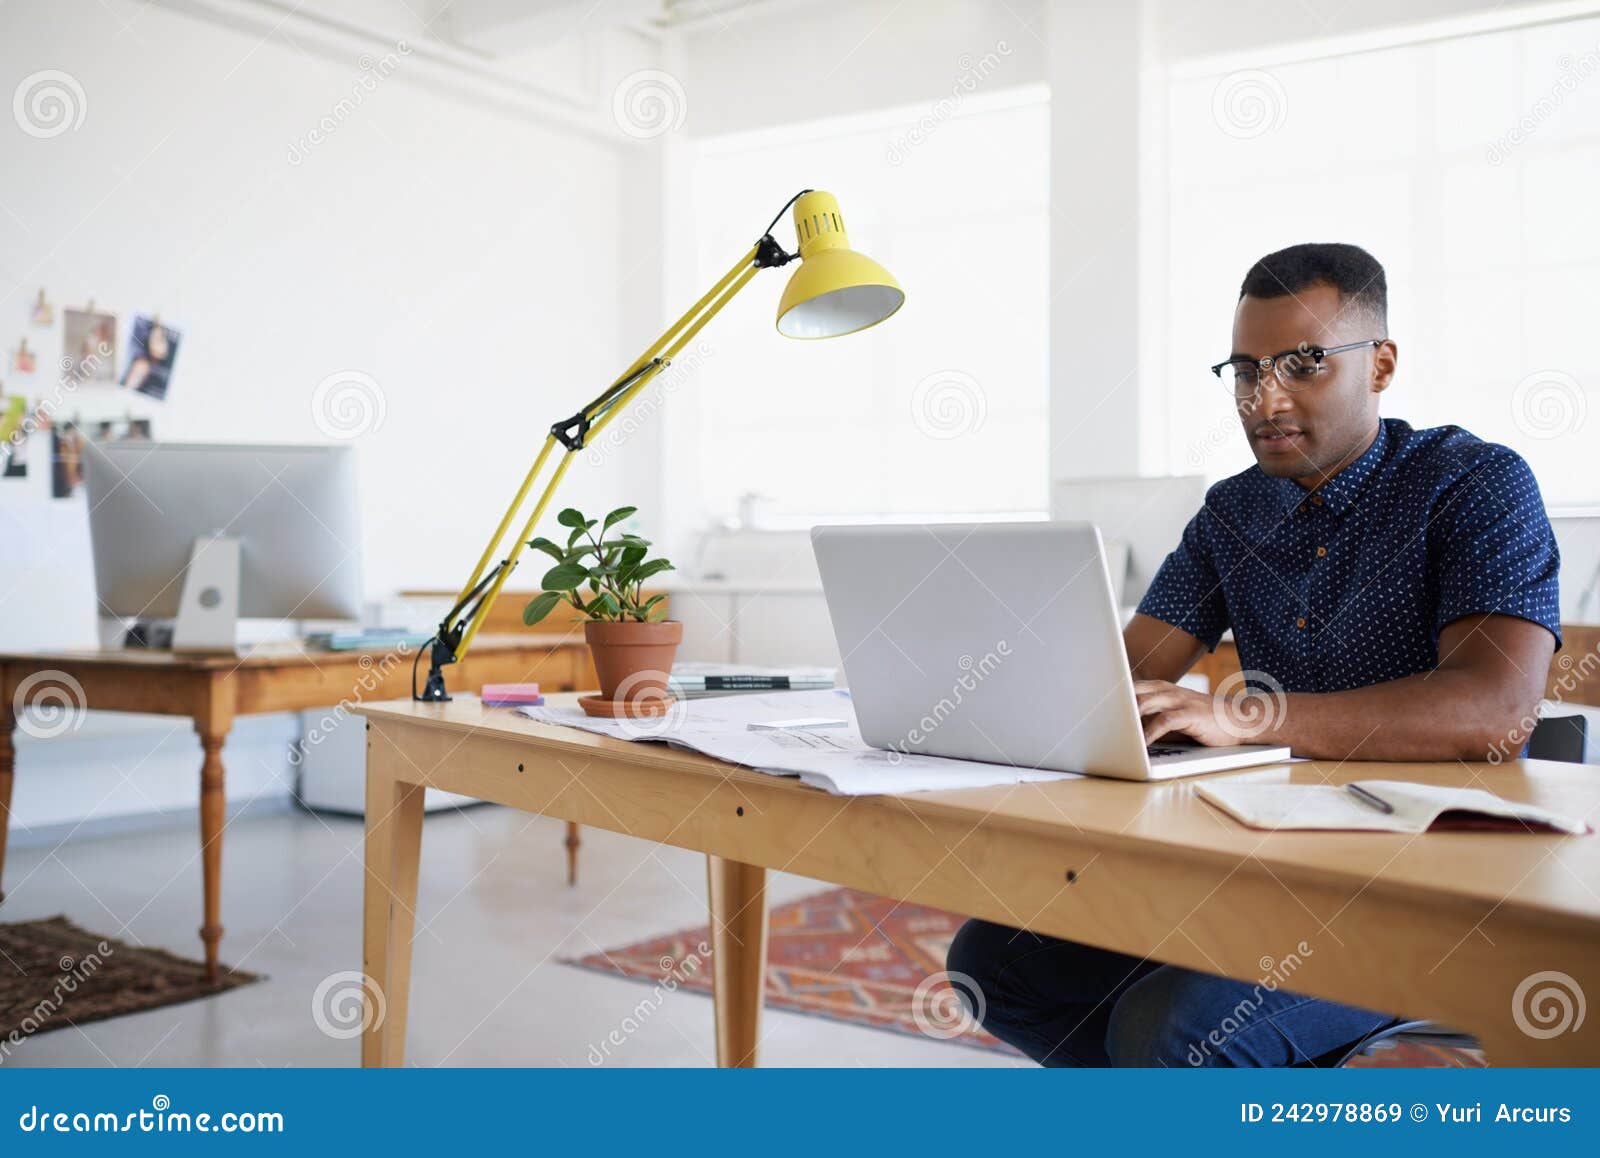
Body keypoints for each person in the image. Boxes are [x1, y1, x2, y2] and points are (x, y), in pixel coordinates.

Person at [948, 242, 1561, 1067]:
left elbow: (1495, 713)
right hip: (1265, 856)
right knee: (995, 967)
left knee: (1168, 1032)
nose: (1263, 399)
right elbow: (1127, 675)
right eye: (1244, 371)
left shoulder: (1475, 484)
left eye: (1304, 364)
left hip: (1424, 882)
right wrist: (978, 681)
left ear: (1380, 365)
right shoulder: (1233, 511)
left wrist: (1245, 717)